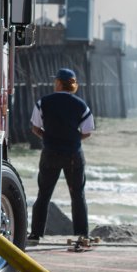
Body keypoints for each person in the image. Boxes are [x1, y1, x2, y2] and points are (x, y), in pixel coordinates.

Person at [27, 68, 95, 250]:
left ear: (58, 83)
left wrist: (49, 138)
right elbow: (88, 131)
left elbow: (35, 128)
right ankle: (82, 235)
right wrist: (72, 139)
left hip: (50, 153)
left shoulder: (44, 102)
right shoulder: (81, 105)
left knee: (44, 194)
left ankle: (35, 234)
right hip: (73, 155)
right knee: (77, 195)